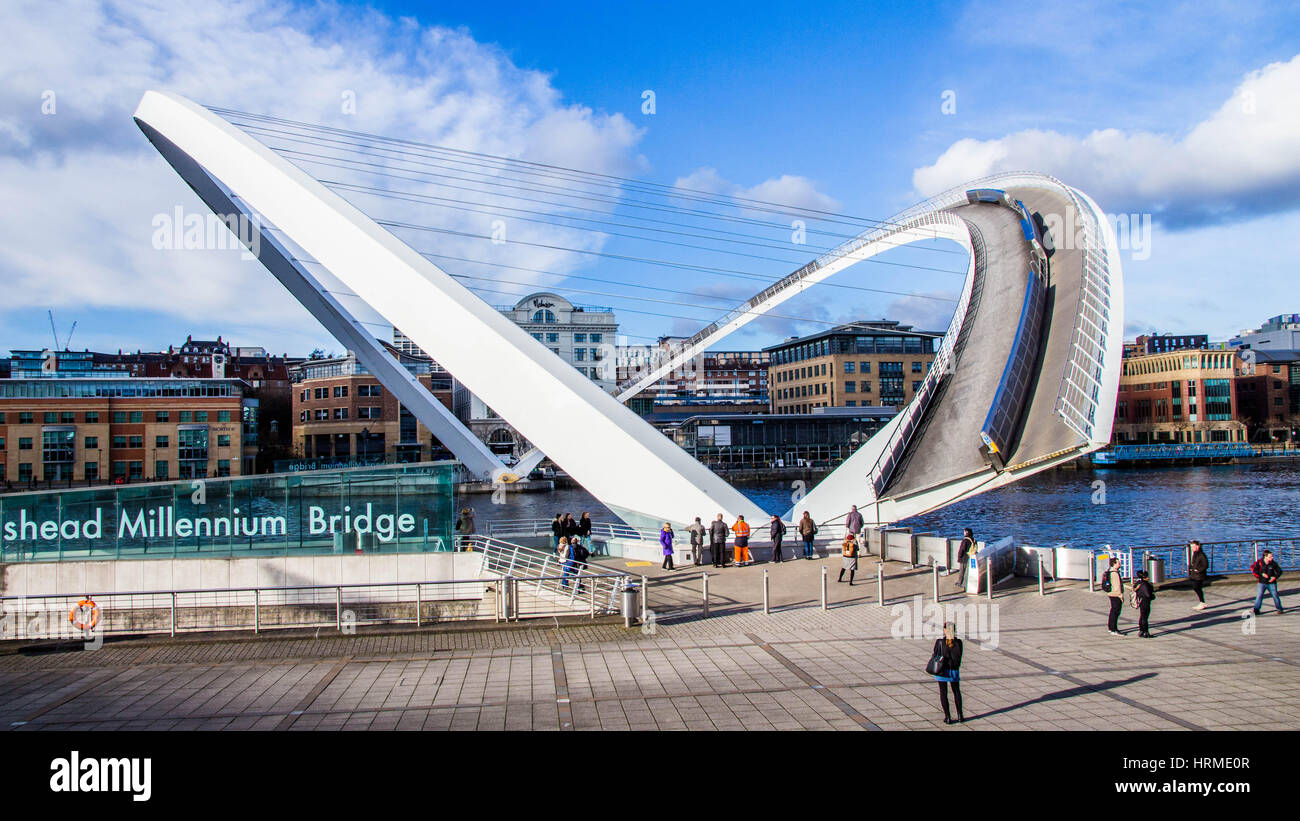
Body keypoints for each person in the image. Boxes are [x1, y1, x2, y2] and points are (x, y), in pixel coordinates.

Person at [931, 621, 964, 724]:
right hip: (954, 671)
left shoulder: (940, 642)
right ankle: (960, 715)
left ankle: (948, 717)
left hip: (942, 671)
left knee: (943, 693)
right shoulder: (958, 642)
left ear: (945, 630)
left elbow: (935, 654)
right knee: (956, 692)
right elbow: (959, 657)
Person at [1251, 549, 1285, 615]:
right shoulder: (1260, 562)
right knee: (1259, 596)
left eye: (1272, 556)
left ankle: (1279, 609)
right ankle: (1256, 609)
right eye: (1270, 557)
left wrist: (1275, 577)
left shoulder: (1273, 563)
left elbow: (1279, 571)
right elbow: (1255, 570)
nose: (1272, 558)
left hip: (1271, 583)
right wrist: (1262, 574)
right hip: (1262, 582)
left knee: (1275, 596)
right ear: (1265, 557)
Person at [1104, 556, 1126, 636]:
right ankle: (1114, 629)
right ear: (1114, 564)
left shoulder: (1109, 571)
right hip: (1116, 594)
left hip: (1111, 593)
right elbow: (1117, 585)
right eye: (1118, 562)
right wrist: (1120, 595)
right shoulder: (1115, 573)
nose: (1120, 564)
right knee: (1116, 612)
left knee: (1112, 611)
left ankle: (1111, 628)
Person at [1132, 568, 1156, 638]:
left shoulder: (1138, 583)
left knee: (1142, 616)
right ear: (1144, 578)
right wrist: (1152, 596)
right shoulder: (1145, 584)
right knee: (1145, 617)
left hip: (1140, 601)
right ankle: (1145, 631)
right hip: (1145, 602)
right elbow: (1148, 595)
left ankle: (1141, 630)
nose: (1149, 578)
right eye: (1148, 576)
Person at [1188, 540, 1209, 611]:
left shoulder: (1201, 555)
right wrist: (1191, 569)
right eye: (1191, 547)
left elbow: (1206, 565)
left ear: (1198, 546)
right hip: (1195, 575)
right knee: (1197, 587)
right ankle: (1202, 602)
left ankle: (1202, 602)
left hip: (1200, 575)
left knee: (1196, 587)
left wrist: (1198, 570)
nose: (1192, 548)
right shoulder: (1195, 554)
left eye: (1193, 546)